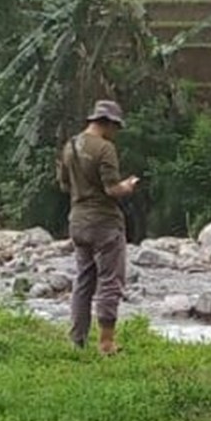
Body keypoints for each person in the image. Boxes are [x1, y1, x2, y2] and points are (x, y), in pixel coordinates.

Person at [57, 100, 140, 355]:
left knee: (83, 280)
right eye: (115, 127)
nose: (116, 132)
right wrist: (128, 186)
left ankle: (77, 340)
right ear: (107, 123)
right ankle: (106, 343)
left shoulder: (70, 145)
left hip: (78, 221)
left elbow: (63, 184)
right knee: (109, 282)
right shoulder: (105, 148)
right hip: (104, 223)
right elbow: (111, 189)